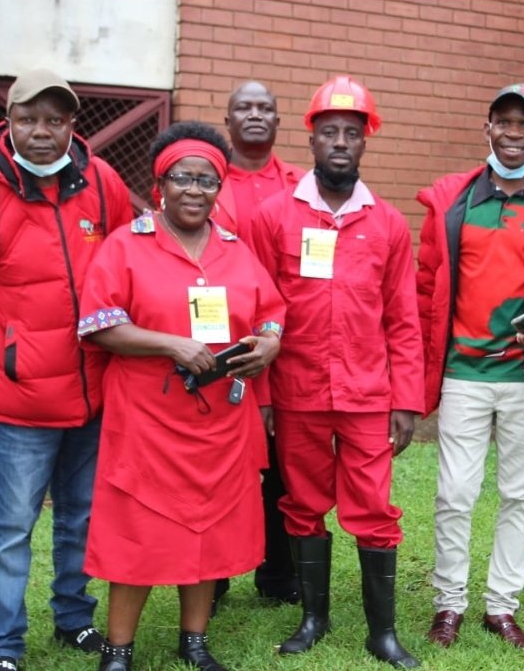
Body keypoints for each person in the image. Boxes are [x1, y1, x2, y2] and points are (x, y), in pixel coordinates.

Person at [0, 68, 134, 671]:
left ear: (72, 125)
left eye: (56, 120)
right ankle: (3, 644)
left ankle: (74, 620)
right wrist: (2, 350)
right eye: (29, 119)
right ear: (8, 122)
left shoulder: (103, 183)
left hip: (93, 394)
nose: (42, 132)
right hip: (21, 406)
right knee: (13, 529)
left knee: (82, 517)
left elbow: (125, 265)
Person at [77, 121, 285, 671]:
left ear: (220, 189)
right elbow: (99, 324)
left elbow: (271, 313)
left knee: (209, 535)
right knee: (138, 536)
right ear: (159, 185)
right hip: (148, 420)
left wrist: (269, 343)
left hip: (222, 420)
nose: (195, 190)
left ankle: (195, 641)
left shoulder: (236, 252)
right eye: (182, 178)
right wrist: (171, 344)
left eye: (207, 180)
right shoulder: (127, 245)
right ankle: (118, 650)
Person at [248, 75, 423, 669]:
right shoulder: (275, 216)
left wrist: (407, 400)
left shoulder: (389, 225)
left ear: (365, 141)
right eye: (330, 133)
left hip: (367, 392)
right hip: (297, 390)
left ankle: (383, 634)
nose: (341, 143)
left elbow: (403, 318)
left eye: (352, 132)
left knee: (373, 507)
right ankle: (313, 618)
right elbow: (259, 308)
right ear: (313, 139)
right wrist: (265, 394)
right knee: (302, 502)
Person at [416, 83, 524, 653]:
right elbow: (425, 288)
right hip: (464, 373)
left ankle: (502, 606)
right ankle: (449, 603)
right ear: (486, 129)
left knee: (518, 495)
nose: (513, 134)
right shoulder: (453, 199)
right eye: (503, 122)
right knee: (455, 493)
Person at [210, 80, 305, 612]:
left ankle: (279, 574)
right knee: (224, 469)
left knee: (282, 469)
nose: (254, 114)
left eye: (265, 107)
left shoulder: (300, 184)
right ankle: (215, 576)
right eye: (243, 106)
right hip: (225, 348)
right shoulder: (207, 180)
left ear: (277, 120)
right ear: (227, 120)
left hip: (286, 344)